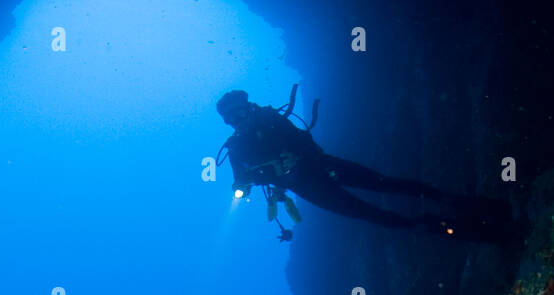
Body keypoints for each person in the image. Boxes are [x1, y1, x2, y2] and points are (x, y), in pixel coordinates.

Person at [216, 88, 511, 242]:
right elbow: (241, 180)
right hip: (309, 188)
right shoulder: (236, 148)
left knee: (385, 184)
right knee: (368, 213)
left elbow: (307, 142)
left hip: (321, 166)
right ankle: (446, 227)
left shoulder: (272, 120)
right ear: (228, 122)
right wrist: (243, 187)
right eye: (232, 118)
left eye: (240, 112)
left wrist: (298, 157)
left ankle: (461, 204)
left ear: (248, 106)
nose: (239, 119)